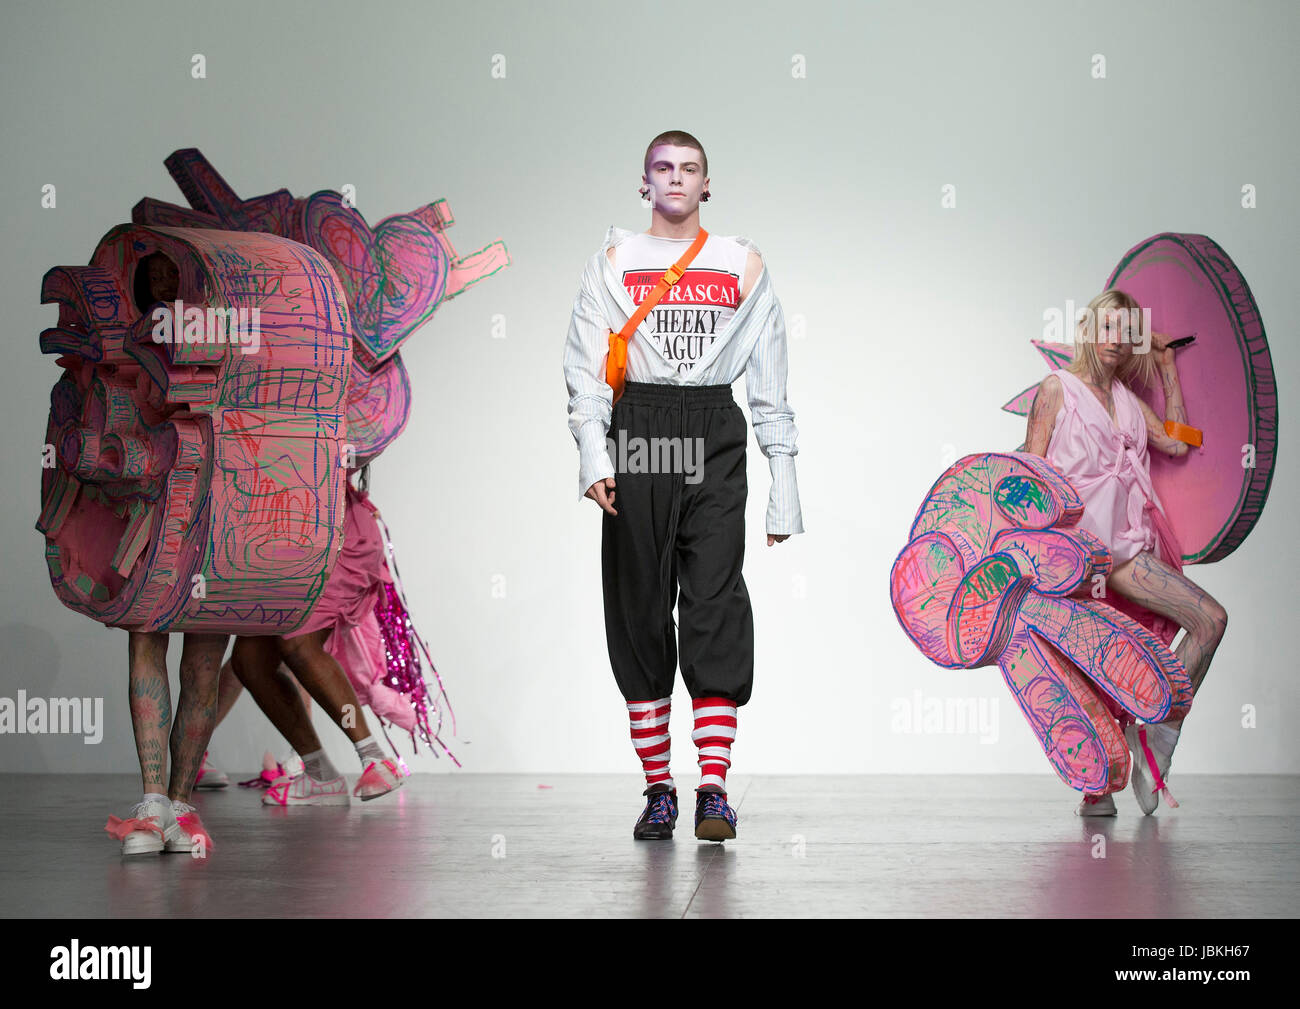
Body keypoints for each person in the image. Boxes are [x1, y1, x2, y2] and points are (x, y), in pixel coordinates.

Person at [563, 131, 804, 841]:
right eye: (663, 168)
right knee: (638, 604)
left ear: (707, 183)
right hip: (638, 428)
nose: (675, 178)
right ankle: (658, 789)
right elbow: (585, 366)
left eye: (689, 168)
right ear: (644, 182)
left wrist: (784, 483)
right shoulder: (612, 263)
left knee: (714, 597)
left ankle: (714, 788)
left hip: (711, 427)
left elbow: (770, 380)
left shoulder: (742, 263)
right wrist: (593, 455)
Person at [1023, 289, 1228, 816]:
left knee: (1210, 620)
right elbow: (1030, 473)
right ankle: (1097, 788)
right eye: (1108, 327)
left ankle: (1157, 738)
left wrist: (1167, 369)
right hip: (1074, 561)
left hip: (1129, 556)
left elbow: (1178, 442)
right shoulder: (1057, 390)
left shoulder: (1130, 402)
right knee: (1095, 673)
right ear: (1088, 330)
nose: (1116, 340)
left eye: (1127, 331)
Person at [104, 252, 228, 857]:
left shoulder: (232, 338)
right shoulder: (133, 343)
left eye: (170, 273)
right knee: (147, 638)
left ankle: (177, 803)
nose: (162, 283)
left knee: (203, 659)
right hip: (157, 510)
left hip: (224, 511)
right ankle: (154, 801)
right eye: (152, 275)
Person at [228, 469, 404, 805]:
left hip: (335, 533)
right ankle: (321, 776)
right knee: (249, 661)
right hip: (279, 538)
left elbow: (365, 448)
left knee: (298, 638)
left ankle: (375, 758)